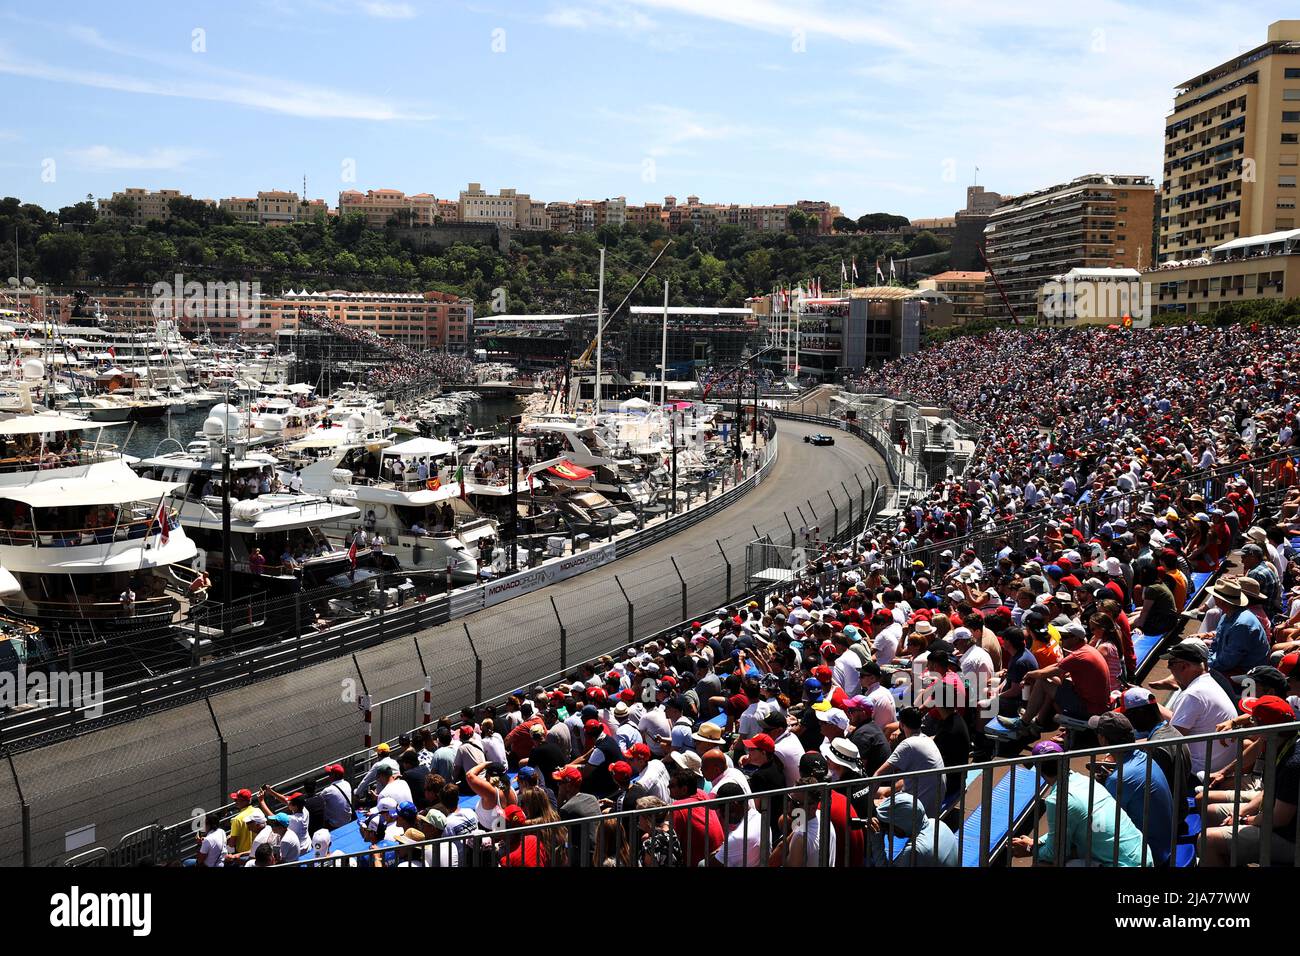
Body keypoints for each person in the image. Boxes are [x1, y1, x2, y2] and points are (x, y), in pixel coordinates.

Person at [1009, 741, 1153, 866]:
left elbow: (1055, 853)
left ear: (1039, 770)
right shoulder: (1086, 781)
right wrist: (1037, 842)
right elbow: (1060, 831)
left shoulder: (1057, 799)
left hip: (1123, 864)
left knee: (1043, 864)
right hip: (1143, 856)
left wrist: (1029, 849)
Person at [1089, 711, 1175, 866]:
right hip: (1165, 845)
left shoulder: (1119, 778)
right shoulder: (1146, 758)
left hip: (1149, 856)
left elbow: (1102, 826)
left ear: (1103, 740)